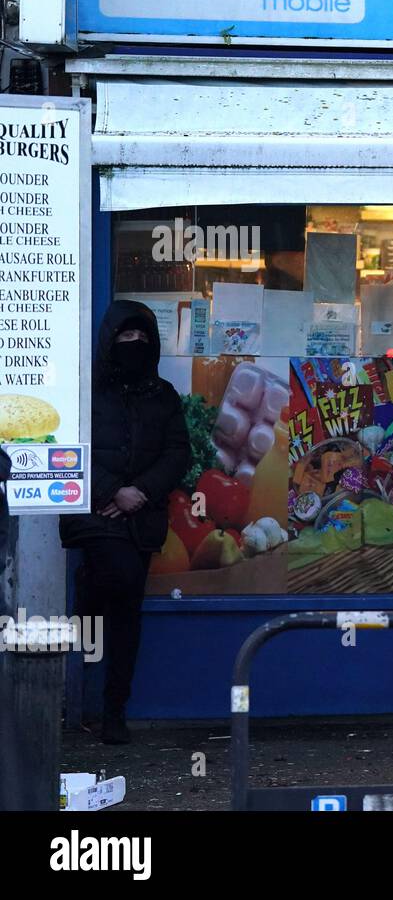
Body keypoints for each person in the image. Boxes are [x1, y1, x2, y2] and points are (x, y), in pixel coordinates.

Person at [59, 301, 191, 744]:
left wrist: (141, 493)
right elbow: (68, 446)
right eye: (125, 337)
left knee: (128, 612)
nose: (133, 345)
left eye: (142, 338)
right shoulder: (84, 390)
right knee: (120, 575)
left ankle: (115, 710)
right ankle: (90, 583)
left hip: (143, 515)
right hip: (94, 512)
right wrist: (113, 490)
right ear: (109, 340)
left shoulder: (164, 394)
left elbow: (178, 452)